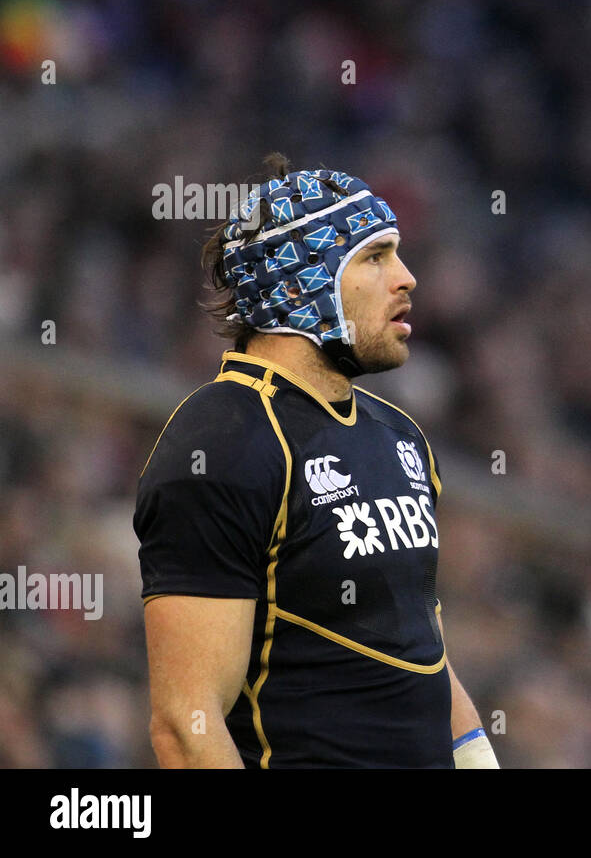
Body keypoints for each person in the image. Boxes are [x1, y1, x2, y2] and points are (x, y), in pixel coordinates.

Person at [134, 154, 498, 768]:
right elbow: (184, 724)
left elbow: (421, 647)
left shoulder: (398, 434)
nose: (407, 278)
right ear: (302, 282)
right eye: (376, 257)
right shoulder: (225, 439)